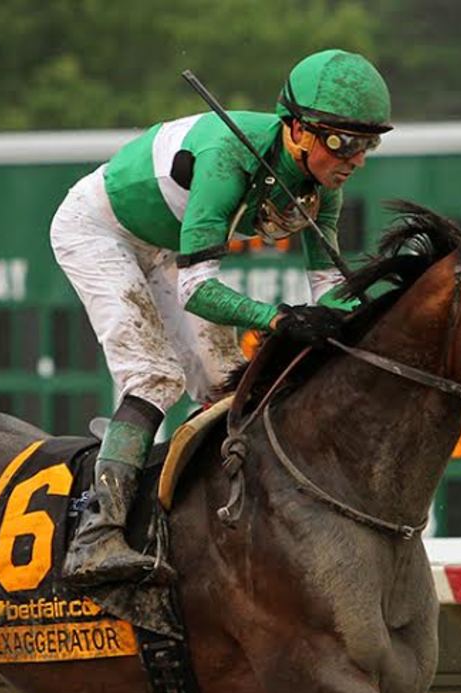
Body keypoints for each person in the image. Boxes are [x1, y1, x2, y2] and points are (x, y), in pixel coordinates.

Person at [52, 49, 393, 587]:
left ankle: (207, 521)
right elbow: (197, 290)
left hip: (164, 245)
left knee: (225, 381)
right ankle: (98, 535)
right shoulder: (227, 157)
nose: (356, 159)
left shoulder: (322, 187)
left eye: (367, 144)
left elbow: (329, 287)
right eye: (343, 143)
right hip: (99, 232)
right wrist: (278, 320)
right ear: (298, 131)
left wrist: (377, 324)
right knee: (155, 376)